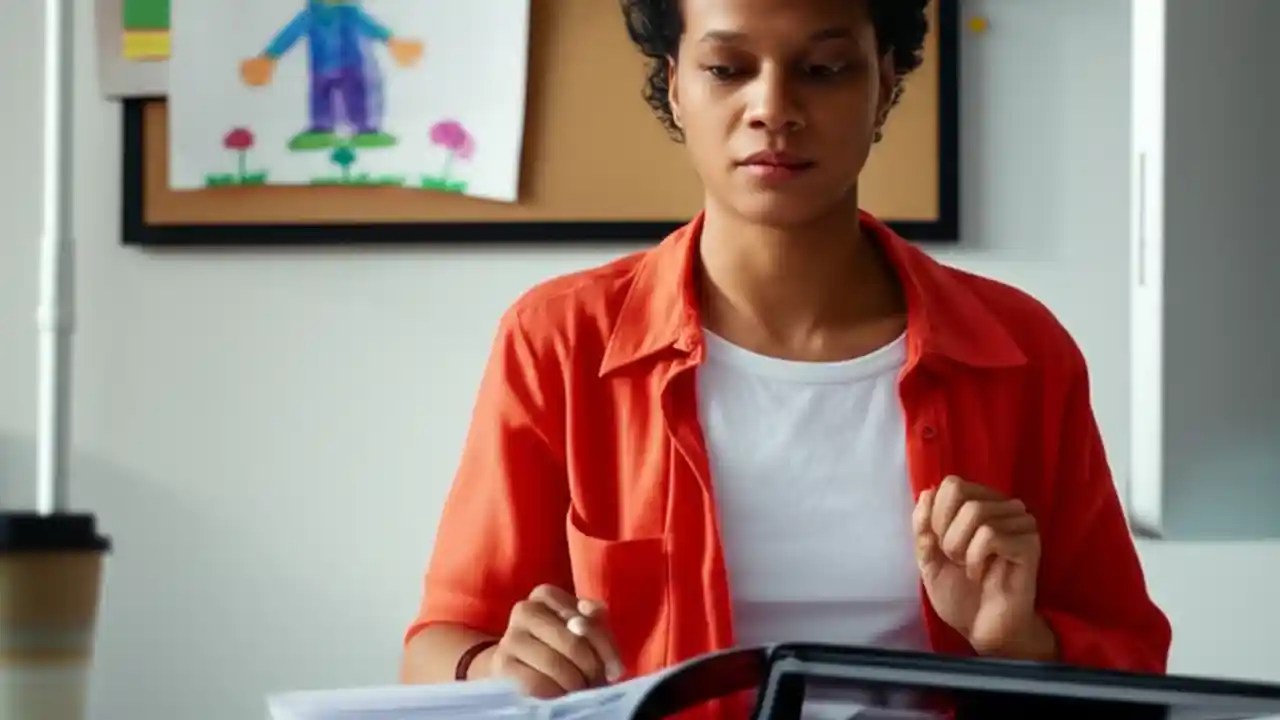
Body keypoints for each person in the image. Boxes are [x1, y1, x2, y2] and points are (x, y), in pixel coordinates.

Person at [399, 0, 1172, 712]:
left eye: (825, 69)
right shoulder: (561, 340)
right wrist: (497, 669)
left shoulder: (1019, 349)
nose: (772, 108)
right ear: (675, 87)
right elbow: (437, 646)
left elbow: (1134, 669)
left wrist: (1014, 641)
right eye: (727, 69)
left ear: (885, 84)